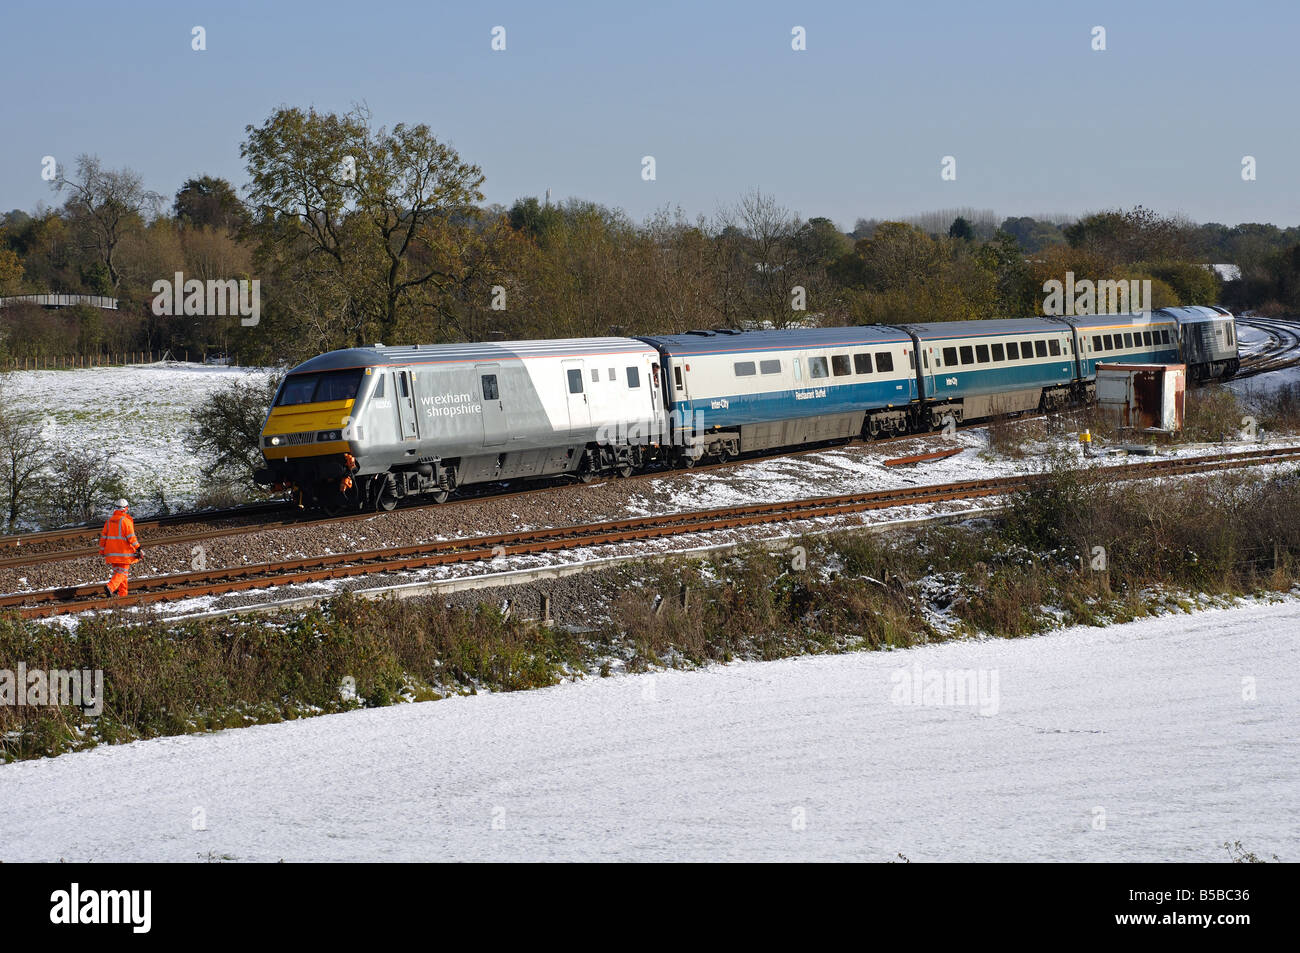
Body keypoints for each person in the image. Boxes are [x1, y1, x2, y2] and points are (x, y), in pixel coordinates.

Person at [99, 498, 142, 597]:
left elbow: (103, 537)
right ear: (126, 508)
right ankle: (111, 586)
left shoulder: (109, 521)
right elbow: (131, 537)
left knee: (121, 574)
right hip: (124, 554)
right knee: (122, 573)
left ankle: (123, 595)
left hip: (112, 553)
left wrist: (102, 551)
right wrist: (138, 548)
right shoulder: (125, 521)